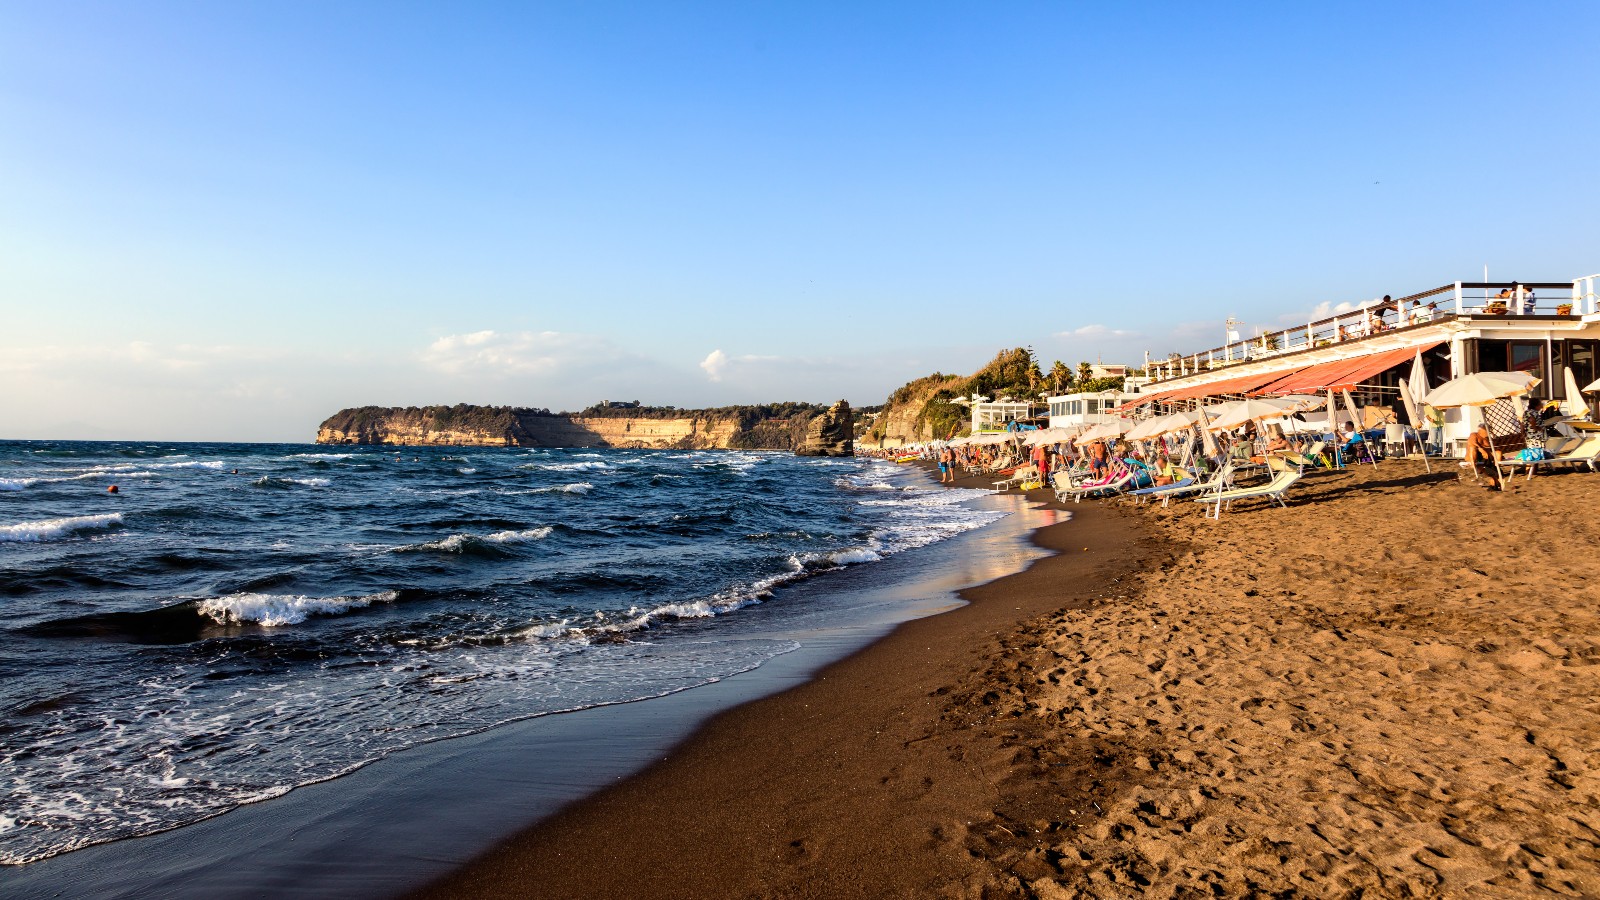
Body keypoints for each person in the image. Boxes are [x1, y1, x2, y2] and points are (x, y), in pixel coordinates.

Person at [1463, 423, 1501, 489]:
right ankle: (1474, 465)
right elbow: (1472, 443)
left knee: (1498, 453)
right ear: (1481, 430)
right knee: (1473, 448)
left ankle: (1496, 468)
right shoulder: (1474, 435)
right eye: (1487, 430)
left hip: (1486, 458)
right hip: (1476, 456)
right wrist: (1481, 449)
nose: (1488, 432)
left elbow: (1493, 448)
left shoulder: (1487, 439)